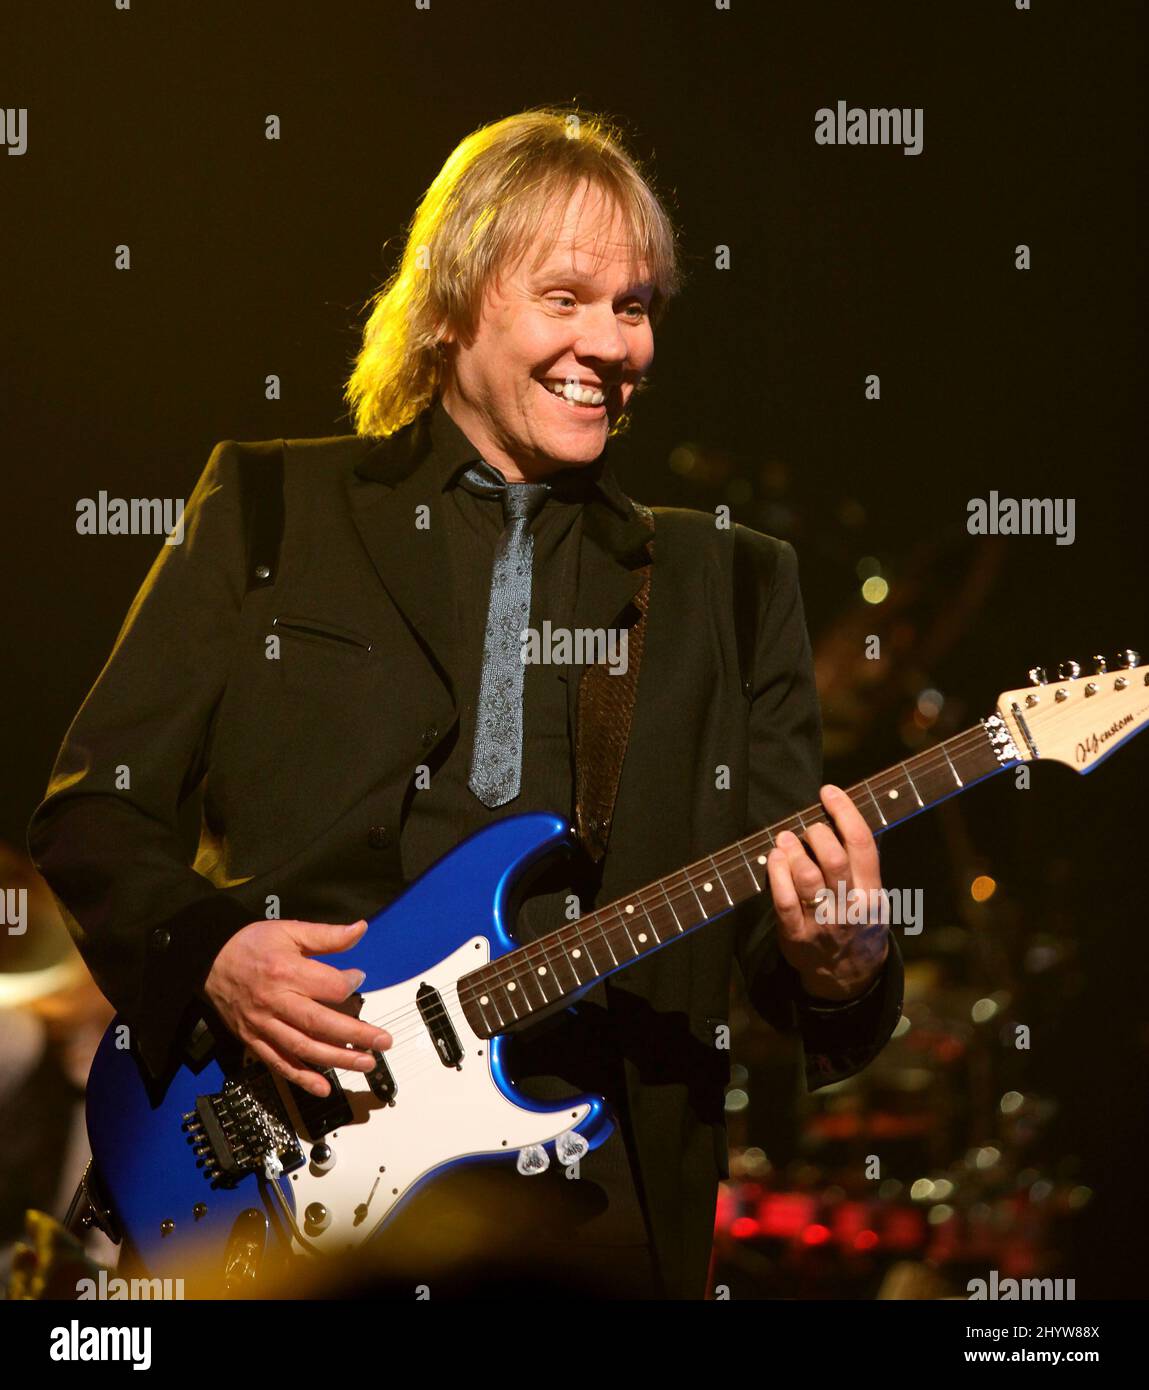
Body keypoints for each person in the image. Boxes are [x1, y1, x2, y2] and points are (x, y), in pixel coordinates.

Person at [27, 107, 903, 1300]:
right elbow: (93, 813)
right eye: (567, 297)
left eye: (635, 306)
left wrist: (840, 966)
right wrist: (217, 952)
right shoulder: (271, 509)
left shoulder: (733, 585)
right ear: (451, 303)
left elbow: (768, 938)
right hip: (271, 1178)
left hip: (595, 1221)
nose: (613, 343)